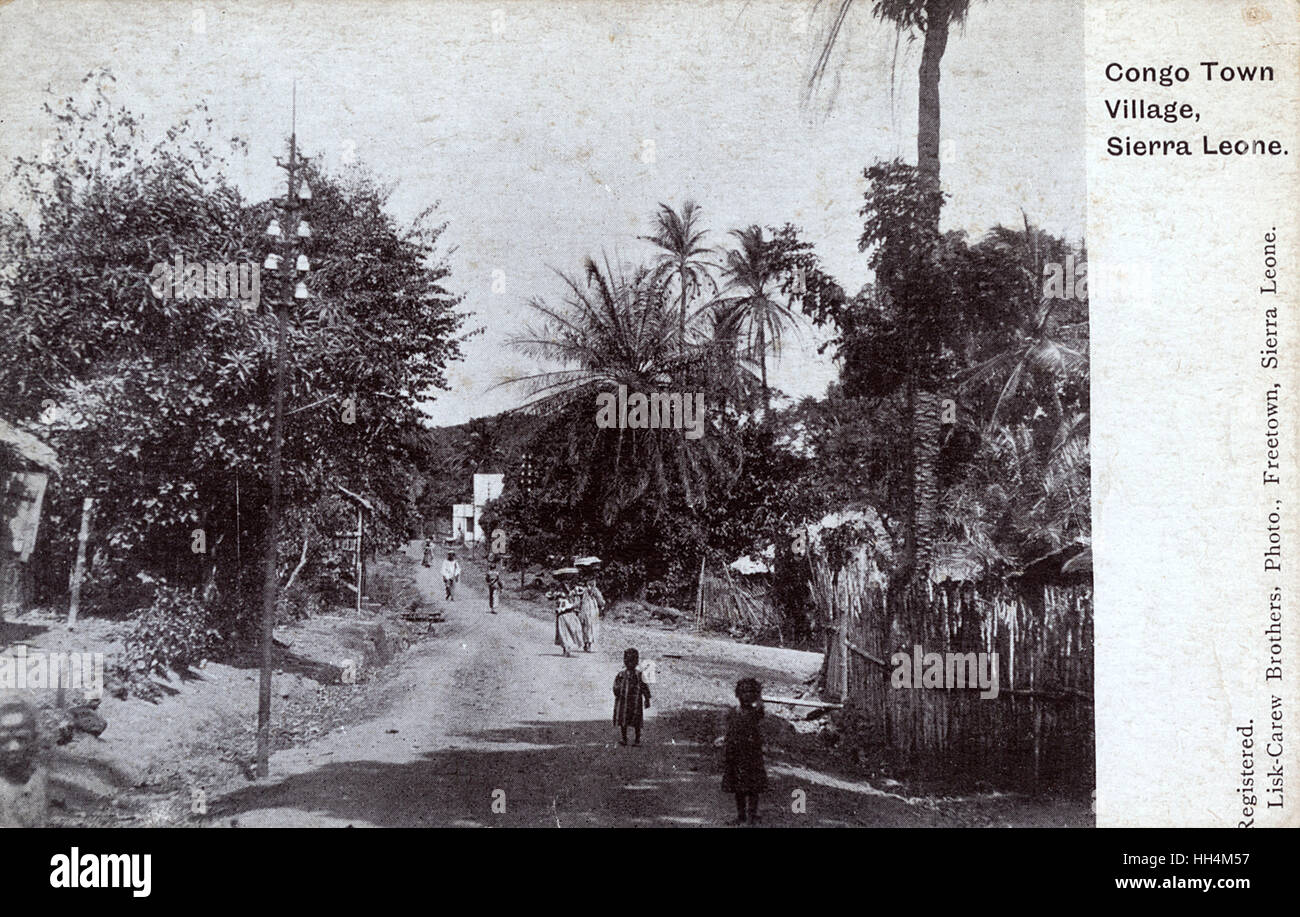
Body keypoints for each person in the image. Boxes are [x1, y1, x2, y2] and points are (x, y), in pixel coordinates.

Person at [722, 677, 768, 825]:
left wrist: (759, 698)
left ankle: (752, 815)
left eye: (750, 692)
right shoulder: (733, 713)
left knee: (753, 787)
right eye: (743, 692)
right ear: (737, 694)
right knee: (738, 787)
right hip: (735, 754)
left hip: (752, 754)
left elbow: (761, 709)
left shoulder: (756, 712)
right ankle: (741, 815)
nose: (746, 695)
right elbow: (729, 731)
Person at [0, 697, 47, 828]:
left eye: (21, 738)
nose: (13, 747)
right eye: (3, 740)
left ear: (34, 739)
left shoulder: (39, 779)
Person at [612, 648, 651, 746]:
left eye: (632, 661)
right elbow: (615, 686)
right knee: (623, 721)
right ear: (624, 661)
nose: (630, 664)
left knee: (637, 721)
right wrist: (617, 693)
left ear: (637, 662)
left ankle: (637, 739)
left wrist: (647, 699)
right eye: (627, 661)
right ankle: (624, 738)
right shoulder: (621, 675)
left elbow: (644, 687)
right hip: (623, 702)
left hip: (635, 703)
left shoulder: (640, 675)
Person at [577, 571, 605, 652]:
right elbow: (579, 598)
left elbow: (600, 598)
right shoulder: (583, 590)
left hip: (592, 608)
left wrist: (601, 603)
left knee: (590, 625)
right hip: (586, 608)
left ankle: (588, 643)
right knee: (586, 625)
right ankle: (587, 643)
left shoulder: (594, 590)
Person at [553, 582, 583, 657]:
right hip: (563, 616)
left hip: (569, 615)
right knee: (563, 632)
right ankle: (566, 648)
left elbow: (577, 603)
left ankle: (567, 648)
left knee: (571, 631)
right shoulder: (560, 596)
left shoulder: (574, 595)